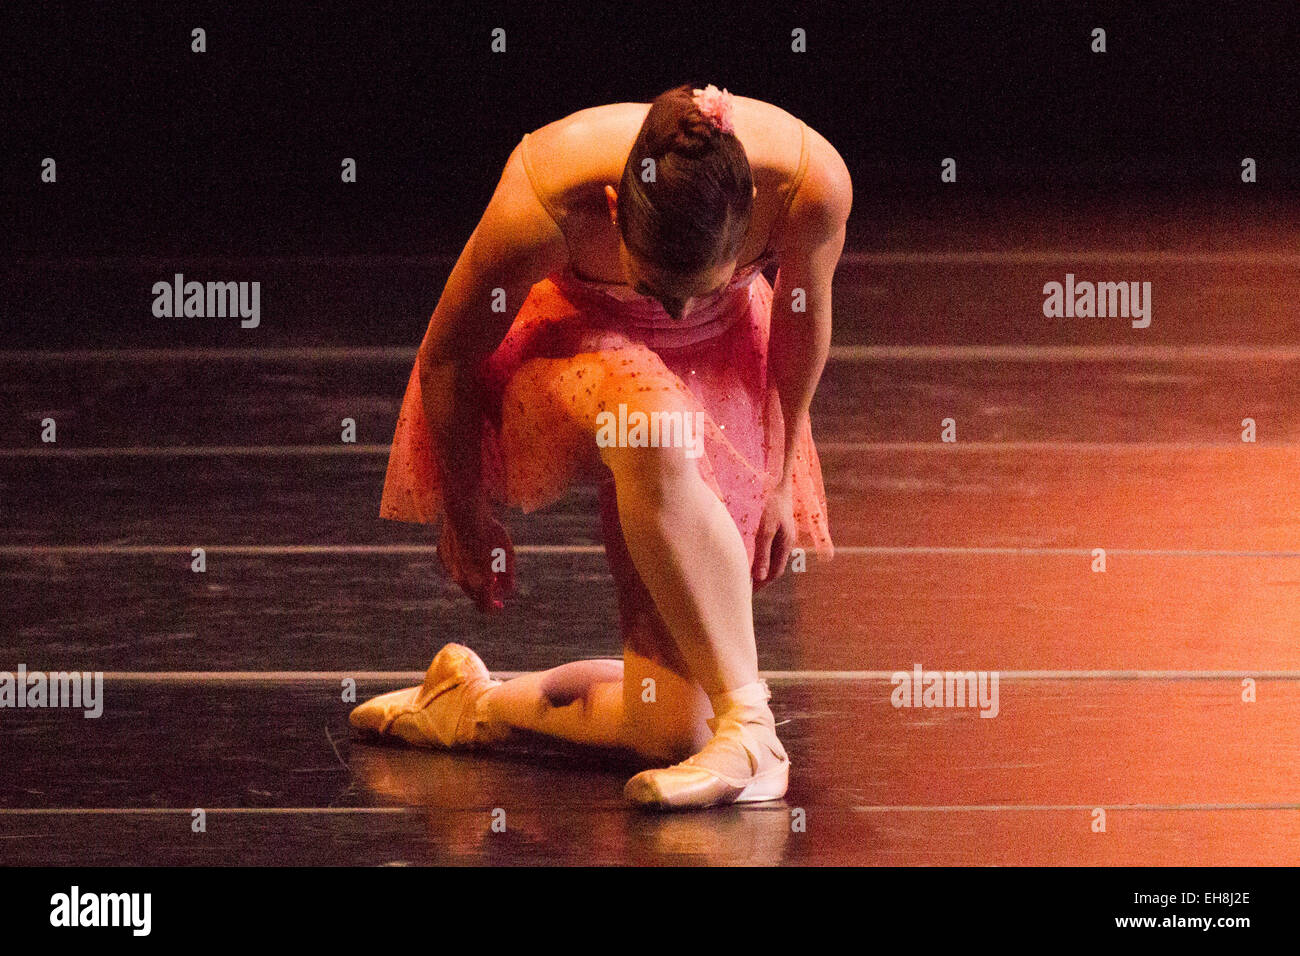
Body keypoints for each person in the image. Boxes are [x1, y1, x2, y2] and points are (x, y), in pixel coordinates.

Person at [350, 83, 851, 810]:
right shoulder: (548, 195)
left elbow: (801, 326)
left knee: (668, 726)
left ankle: (472, 704)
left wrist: (777, 474)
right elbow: (449, 355)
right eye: (655, 285)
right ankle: (754, 730)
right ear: (616, 213)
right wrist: (464, 512)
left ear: (748, 221)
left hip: (716, 355)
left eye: (695, 287)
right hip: (576, 349)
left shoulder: (811, 185)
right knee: (653, 424)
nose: (671, 308)